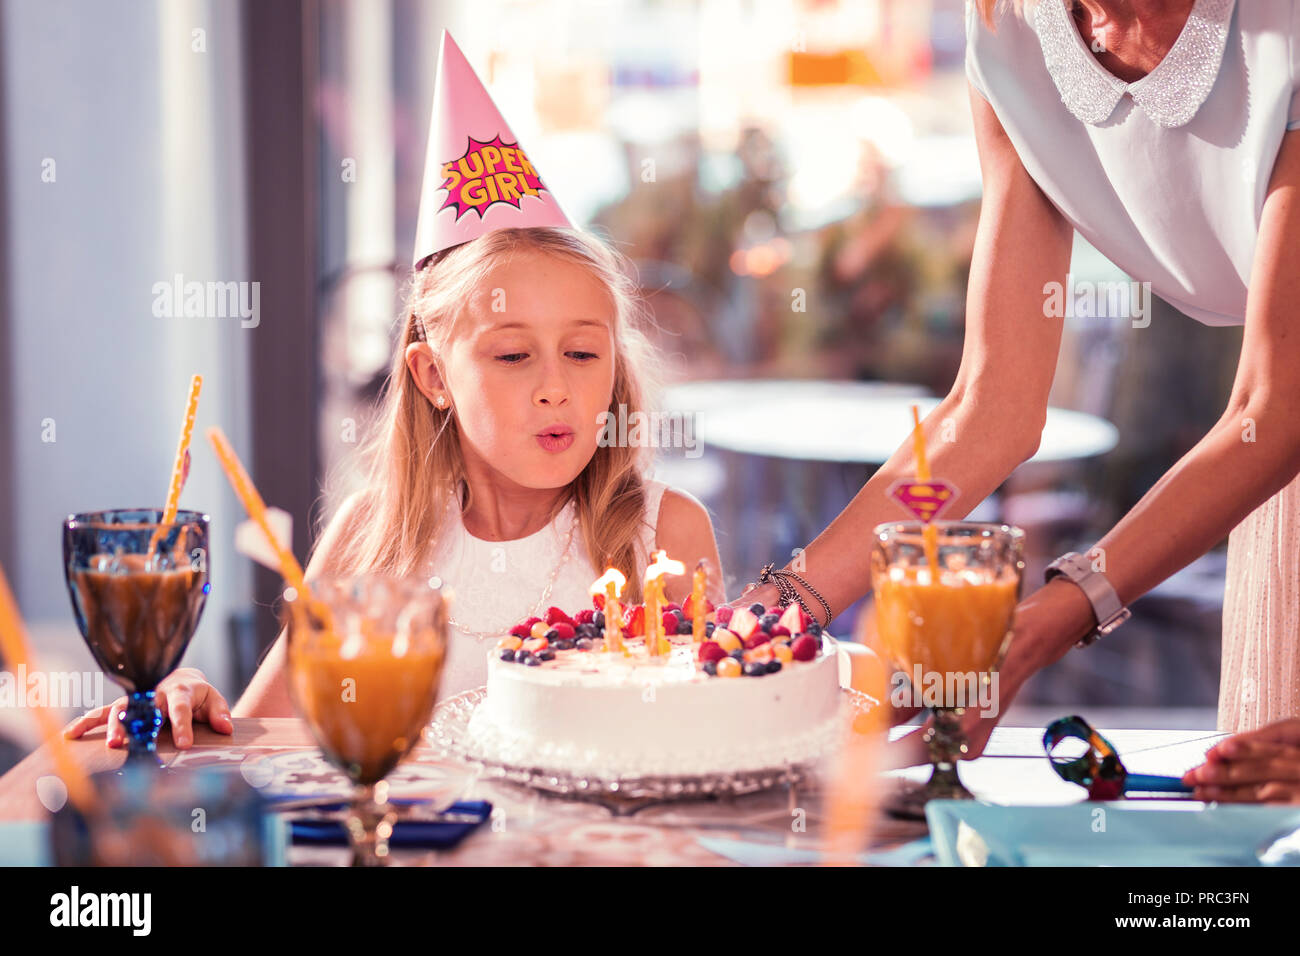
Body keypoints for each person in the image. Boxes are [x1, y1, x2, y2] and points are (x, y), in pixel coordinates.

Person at [64, 32, 724, 751]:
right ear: (432, 376)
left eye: (582, 352)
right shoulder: (366, 542)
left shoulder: (664, 536)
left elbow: (719, 742)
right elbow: (260, 737)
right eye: (511, 355)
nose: (555, 388)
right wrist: (190, 699)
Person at [734, 0, 1300, 751]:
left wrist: (1037, 629)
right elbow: (990, 409)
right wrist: (786, 606)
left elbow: (1278, 406)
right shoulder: (1010, 30)